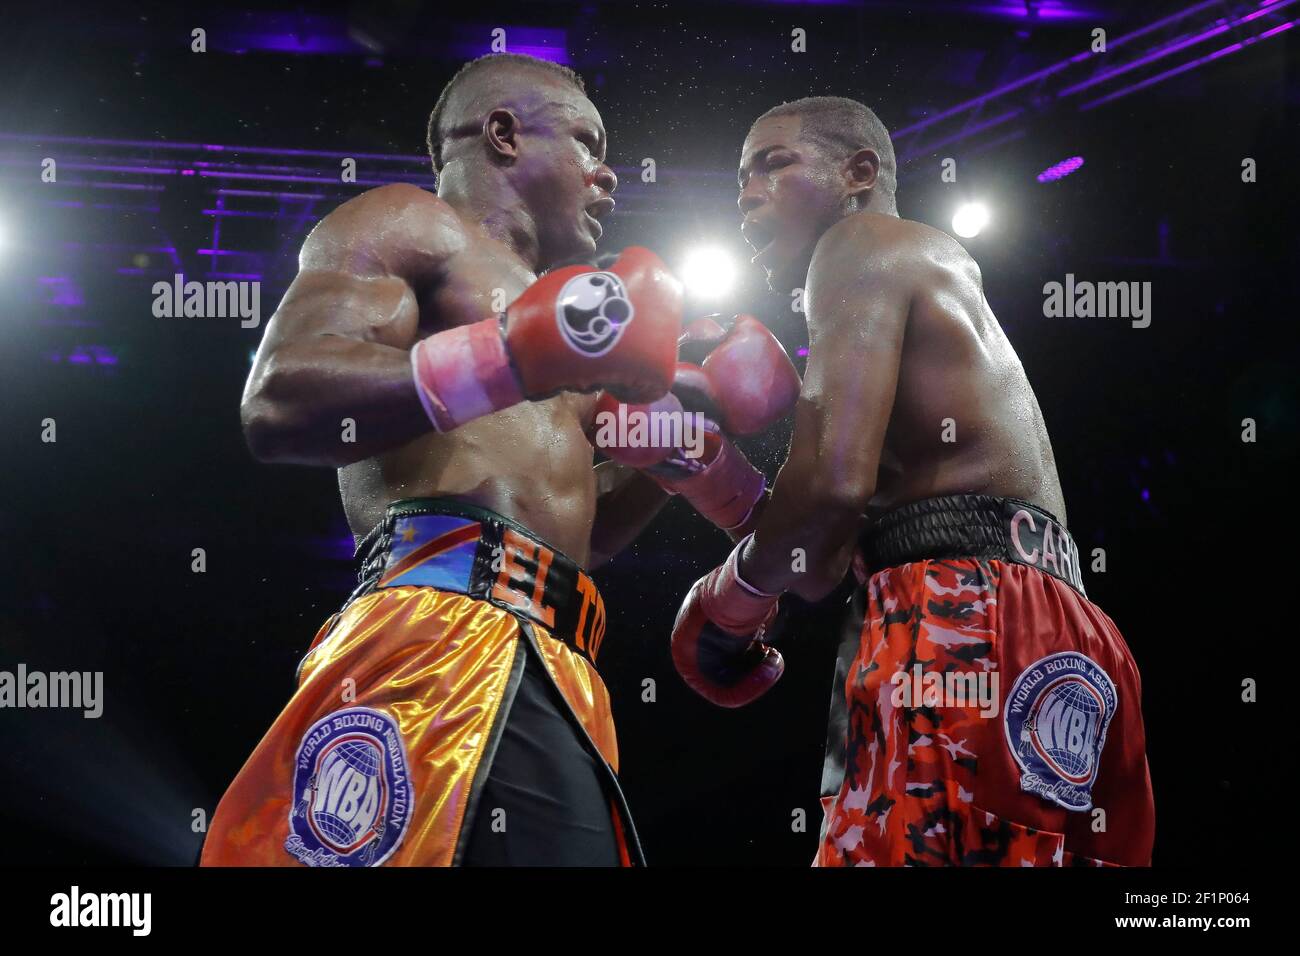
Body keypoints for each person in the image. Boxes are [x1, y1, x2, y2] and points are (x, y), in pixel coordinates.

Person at [201, 52, 686, 867]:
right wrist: (516, 354)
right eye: (584, 141)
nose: (607, 175)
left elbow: (580, 533)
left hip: (561, 659)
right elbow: (279, 402)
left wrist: (688, 449)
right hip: (430, 637)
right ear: (503, 134)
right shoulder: (412, 224)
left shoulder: (567, 310)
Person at [668, 96, 1155, 866]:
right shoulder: (915, 278)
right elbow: (827, 556)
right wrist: (713, 474)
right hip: (1062, 627)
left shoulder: (857, 243)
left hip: (959, 614)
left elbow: (831, 488)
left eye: (774, 163)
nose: (746, 193)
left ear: (859, 174)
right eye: (739, 178)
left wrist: (730, 601)